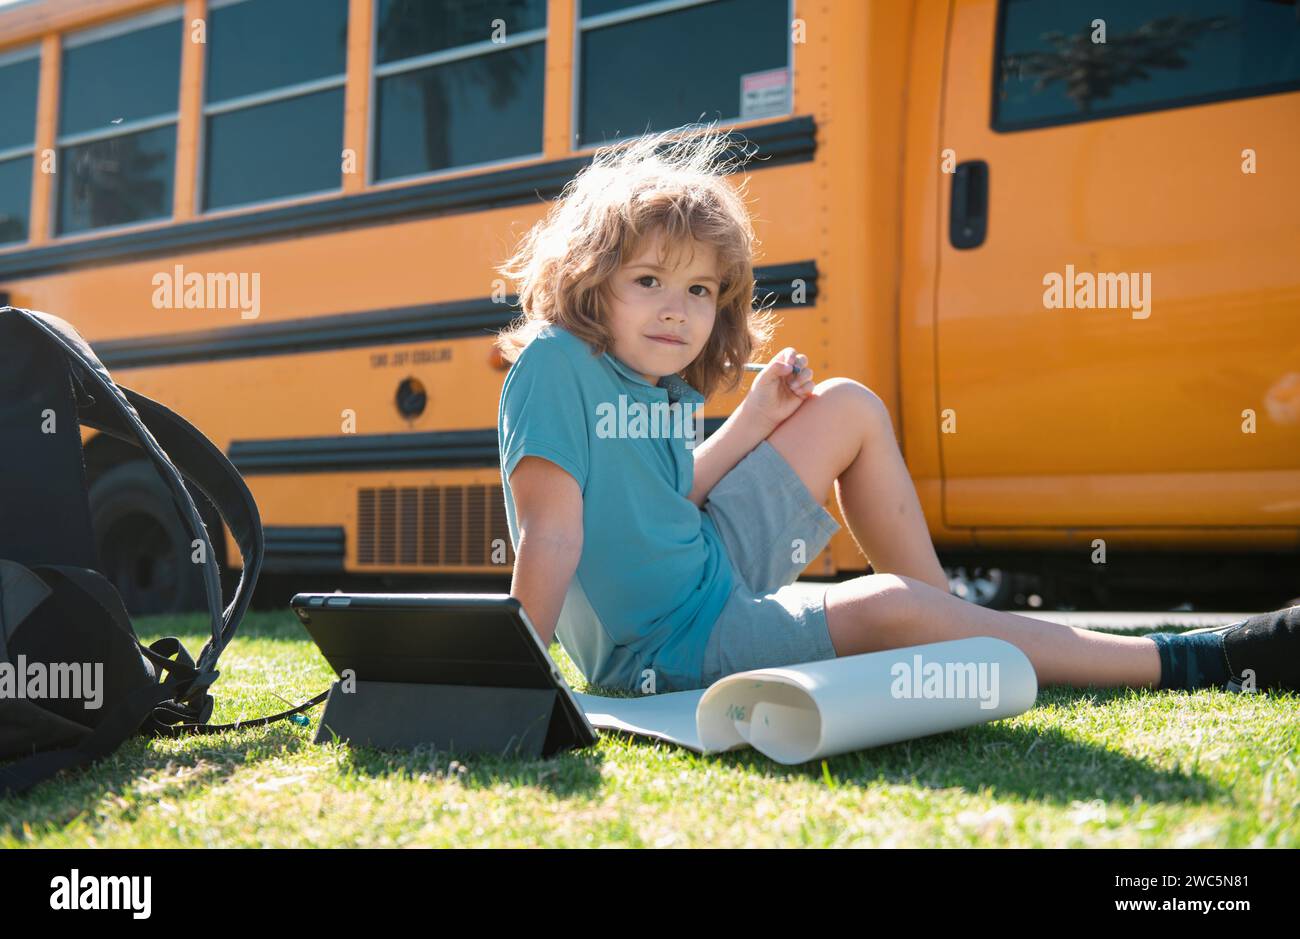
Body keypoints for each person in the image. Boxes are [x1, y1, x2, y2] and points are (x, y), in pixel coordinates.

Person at [494, 123, 1299, 696]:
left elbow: (670, 501)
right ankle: (1194, 659)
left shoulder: (656, 378)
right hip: (670, 643)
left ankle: (948, 628)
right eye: (649, 281)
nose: (678, 310)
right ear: (588, 277)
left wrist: (759, 417)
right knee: (885, 608)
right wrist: (518, 683)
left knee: (847, 405)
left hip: (706, 569)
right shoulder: (558, 366)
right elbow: (554, 532)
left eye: (700, 290)